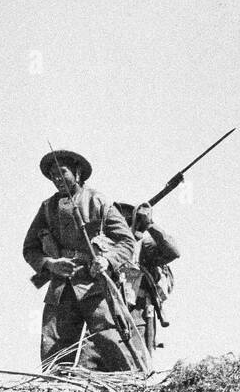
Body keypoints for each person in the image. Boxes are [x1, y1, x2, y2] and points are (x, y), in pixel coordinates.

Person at [22, 150, 149, 373]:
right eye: (52, 175)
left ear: (78, 173)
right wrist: (50, 264)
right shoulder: (47, 208)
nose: (57, 179)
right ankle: (56, 390)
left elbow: (126, 242)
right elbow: (29, 249)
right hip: (61, 287)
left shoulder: (99, 202)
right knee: (55, 343)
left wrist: (107, 261)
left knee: (111, 337)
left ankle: (132, 384)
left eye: (62, 173)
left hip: (94, 284)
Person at [115, 202, 180, 357]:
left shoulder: (142, 244)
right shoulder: (106, 244)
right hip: (108, 308)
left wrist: (150, 224)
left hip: (136, 310)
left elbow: (173, 252)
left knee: (136, 361)